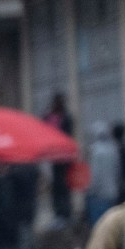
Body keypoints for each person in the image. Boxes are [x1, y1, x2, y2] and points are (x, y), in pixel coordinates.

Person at [44, 91, 76, 224]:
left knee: (64, 186)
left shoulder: (66, 118)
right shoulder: (48, 117)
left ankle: (66, 213)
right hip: (52, 157)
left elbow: (69, 135)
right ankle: (58, 212)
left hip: (64, 157)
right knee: (56, 187)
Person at [85, 122, 122, 229]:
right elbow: (117, 171)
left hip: (99, 195)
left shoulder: (95, 151)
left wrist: (91, 190)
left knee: (99, 226)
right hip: (113, 193)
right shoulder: (113, 149)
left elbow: (95, 175)